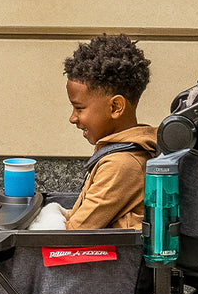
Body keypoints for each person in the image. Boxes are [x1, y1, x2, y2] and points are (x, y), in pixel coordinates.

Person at [41, 34, 157, 230]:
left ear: (115, 107)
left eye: (79, 108)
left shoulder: (121, 165)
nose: (73, 118)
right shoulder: (120, 151)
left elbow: (76, 231)